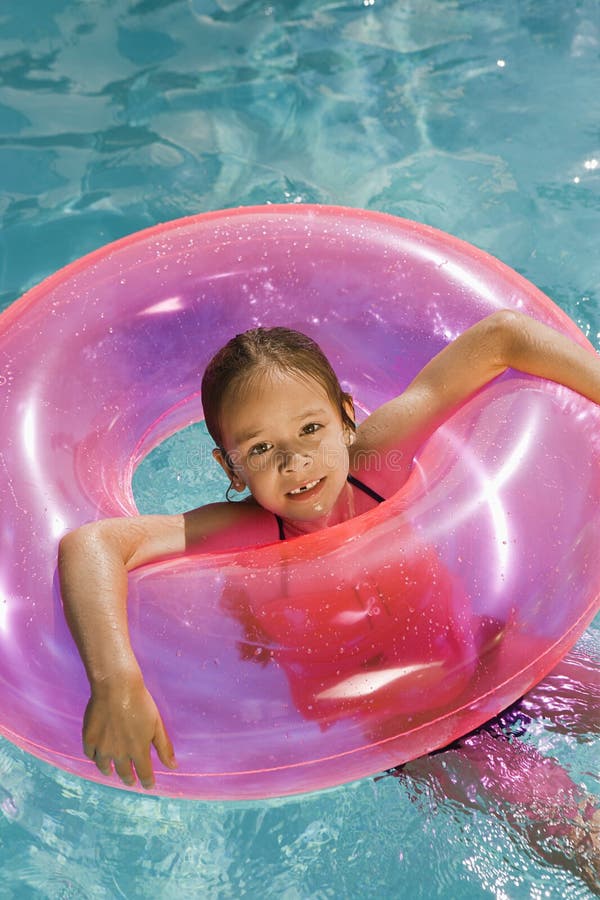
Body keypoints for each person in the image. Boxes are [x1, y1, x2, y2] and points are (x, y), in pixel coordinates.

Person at [58, 309, 600, 791]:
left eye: (311, 429)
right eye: (261, 448)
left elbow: (503, 336)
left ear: (346, 419)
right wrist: (116, 682)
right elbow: (93, 544)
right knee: (574, 827)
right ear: (231, 468)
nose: (294, 463)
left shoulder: (374, 469)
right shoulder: (252, 531)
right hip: (418, 734)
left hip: (485, 652)